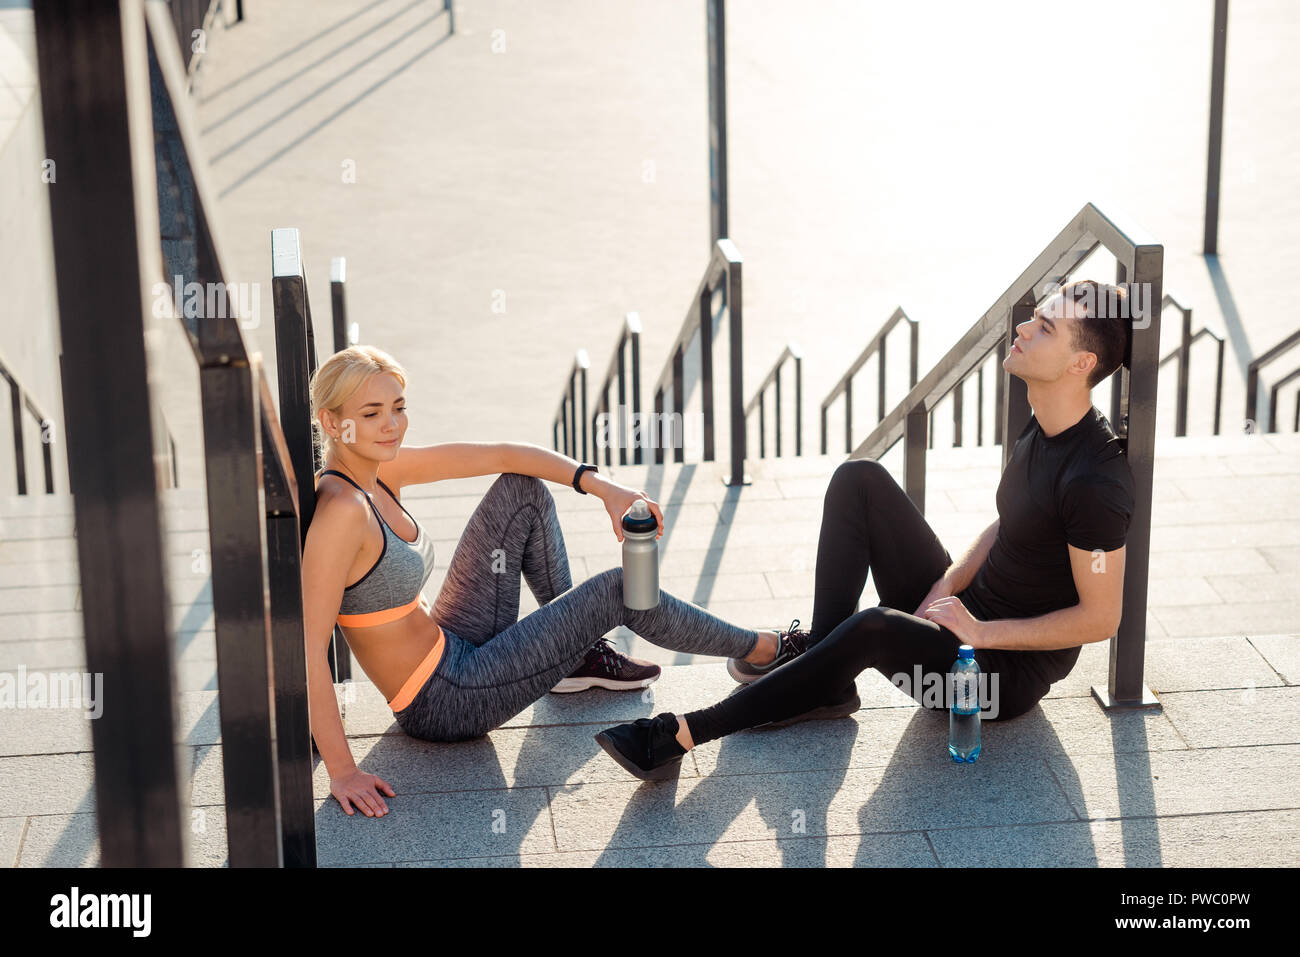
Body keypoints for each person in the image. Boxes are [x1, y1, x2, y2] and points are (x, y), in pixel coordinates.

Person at [595, 280, 1139, 780]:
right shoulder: (1043, 417)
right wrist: (944, 588)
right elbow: (1012, 520)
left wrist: (980, 633)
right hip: (963, 615)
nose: (1023, 327)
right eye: (1035, 316)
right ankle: (821, 680)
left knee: (875, 627)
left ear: (1081, 363)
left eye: (1045, 328)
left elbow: (1100, 618)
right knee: (860, 479)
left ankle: (681, 735)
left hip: (994, 680)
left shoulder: (1095, 479)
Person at [301, 345, 799, 817]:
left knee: (521, 489)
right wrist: (342, 772)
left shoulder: (379, 469)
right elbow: (306, 649)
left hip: (450, 640)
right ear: (331, 422)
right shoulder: (342, 512)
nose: (391, 425)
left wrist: (602, 485)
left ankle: (574, 656)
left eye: (398, 406)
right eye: (370, 414)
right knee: (615, 589)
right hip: (445, 698)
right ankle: (761, 650)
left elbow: (502, 454)